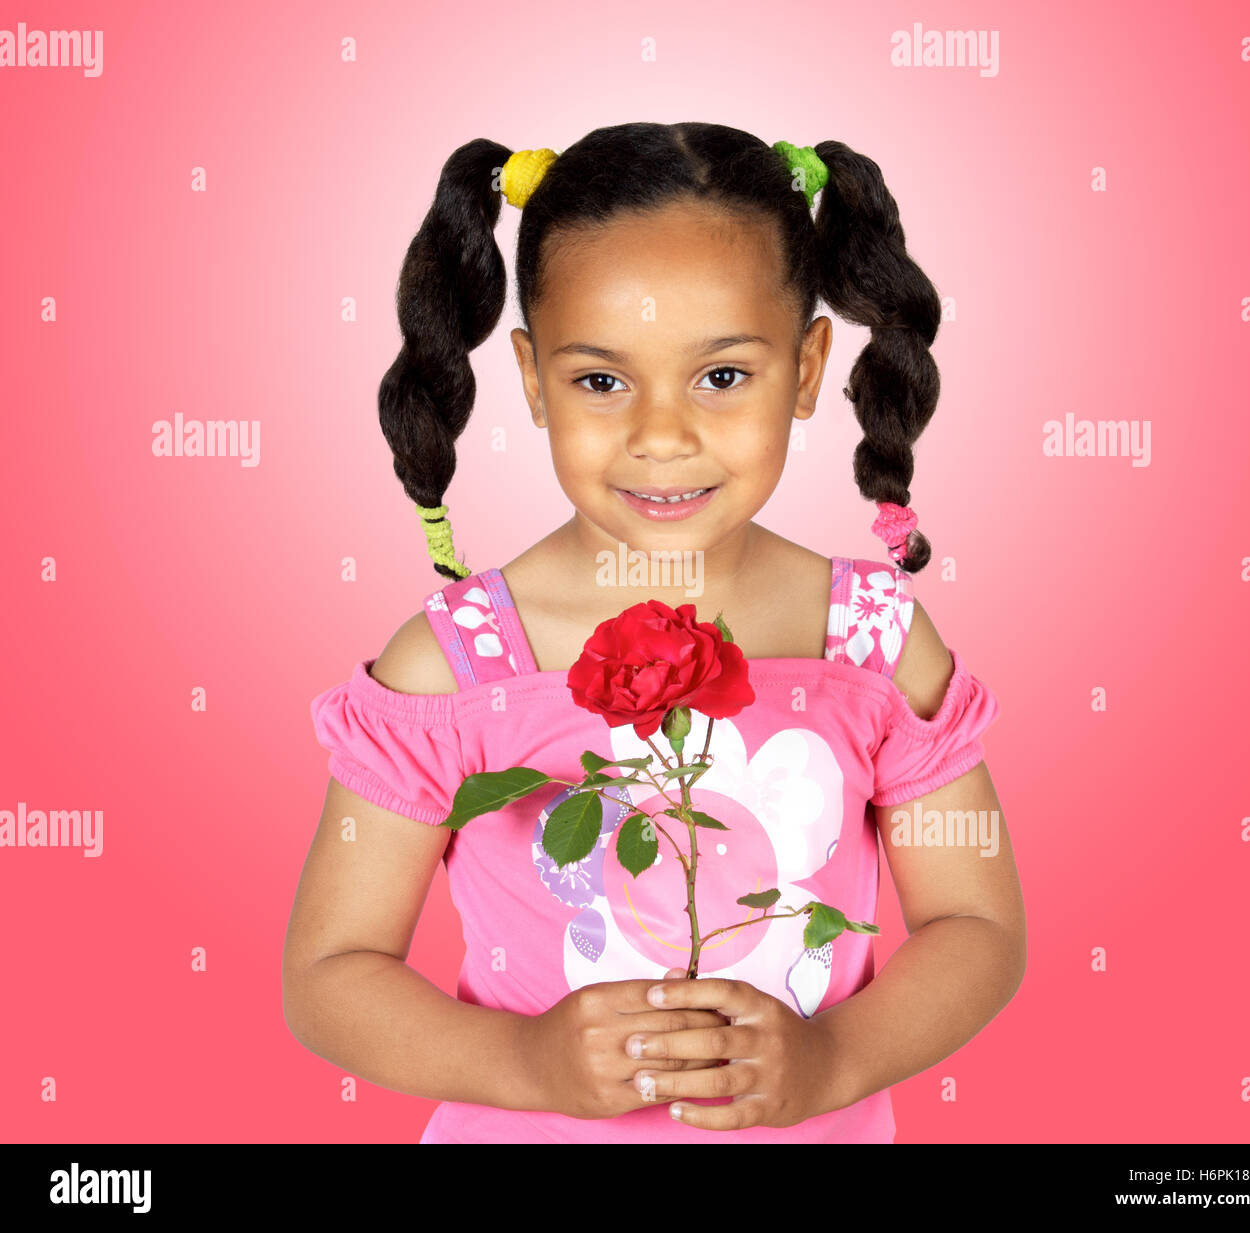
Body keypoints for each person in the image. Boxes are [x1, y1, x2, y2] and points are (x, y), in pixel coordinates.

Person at [283, 122, 1026, 1143]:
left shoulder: (870, 642)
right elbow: (330, 973)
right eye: (600, 380)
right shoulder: (453, 666)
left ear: (807, 369)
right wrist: (523, 1062)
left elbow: (974, 925)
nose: (661, 436)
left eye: (721, 376)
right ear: (533, 379)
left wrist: (833, 1058)